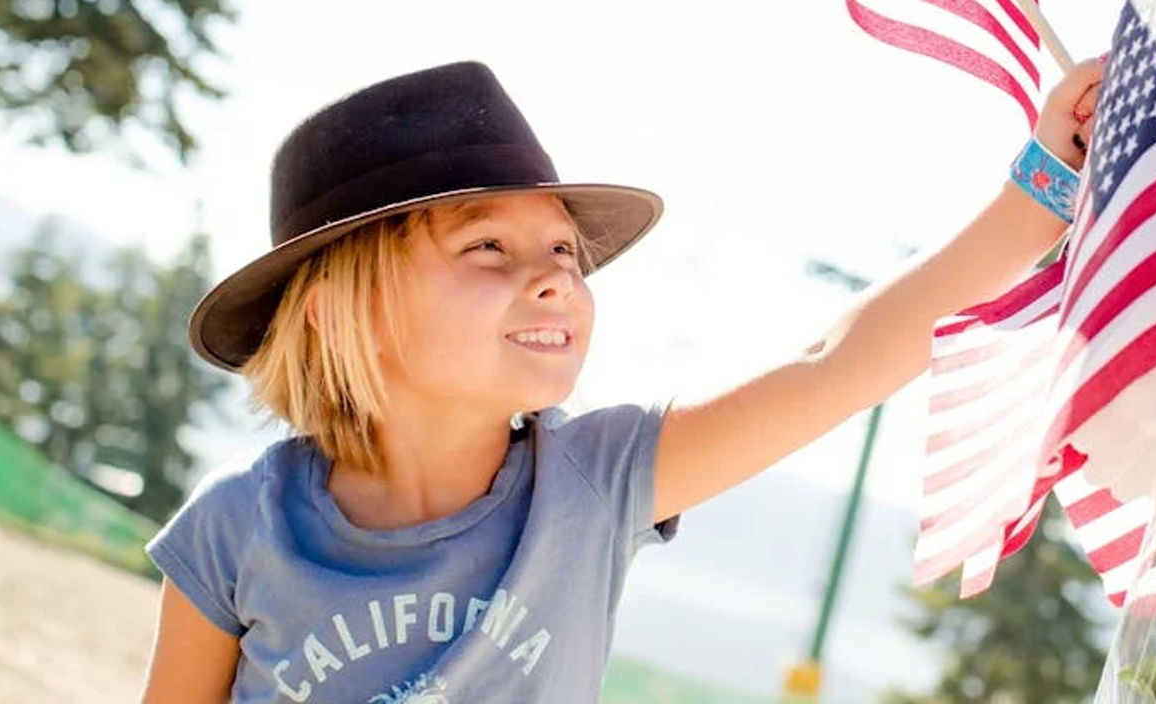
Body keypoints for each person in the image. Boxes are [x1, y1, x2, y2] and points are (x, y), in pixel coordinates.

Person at [137, 56, 1103, 703]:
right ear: (343, 308)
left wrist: (1043, 184)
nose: (557, 273)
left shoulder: (597, 483)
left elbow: (836, 364)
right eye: (487, 246)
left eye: (562, 245)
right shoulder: (236, 525)